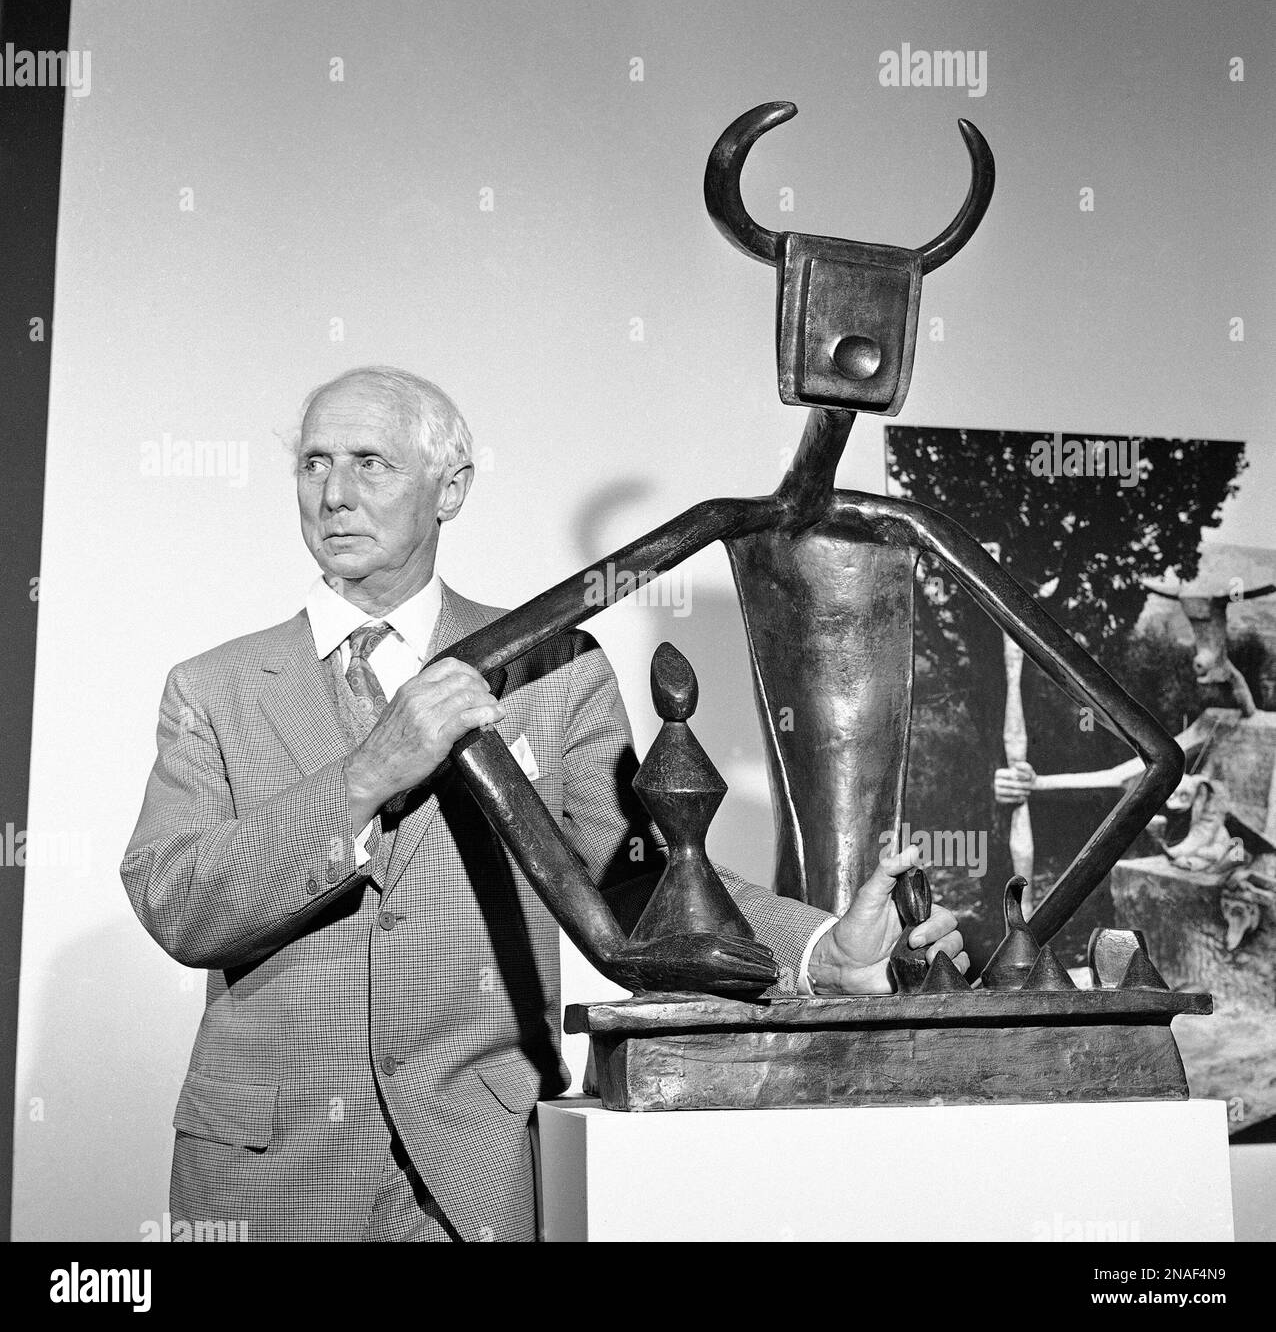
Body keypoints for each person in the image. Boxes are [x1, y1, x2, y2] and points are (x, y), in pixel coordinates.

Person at [122, 365, 967, 1242]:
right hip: (263, 1180)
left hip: (475, 1170)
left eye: (370, 463)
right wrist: (367, 775)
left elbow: (639, 883)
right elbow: (179, 905)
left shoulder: (555, 667)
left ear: (451, 488)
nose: (334, 494)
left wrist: (822, 954)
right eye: (314, 463)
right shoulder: (212, 689)